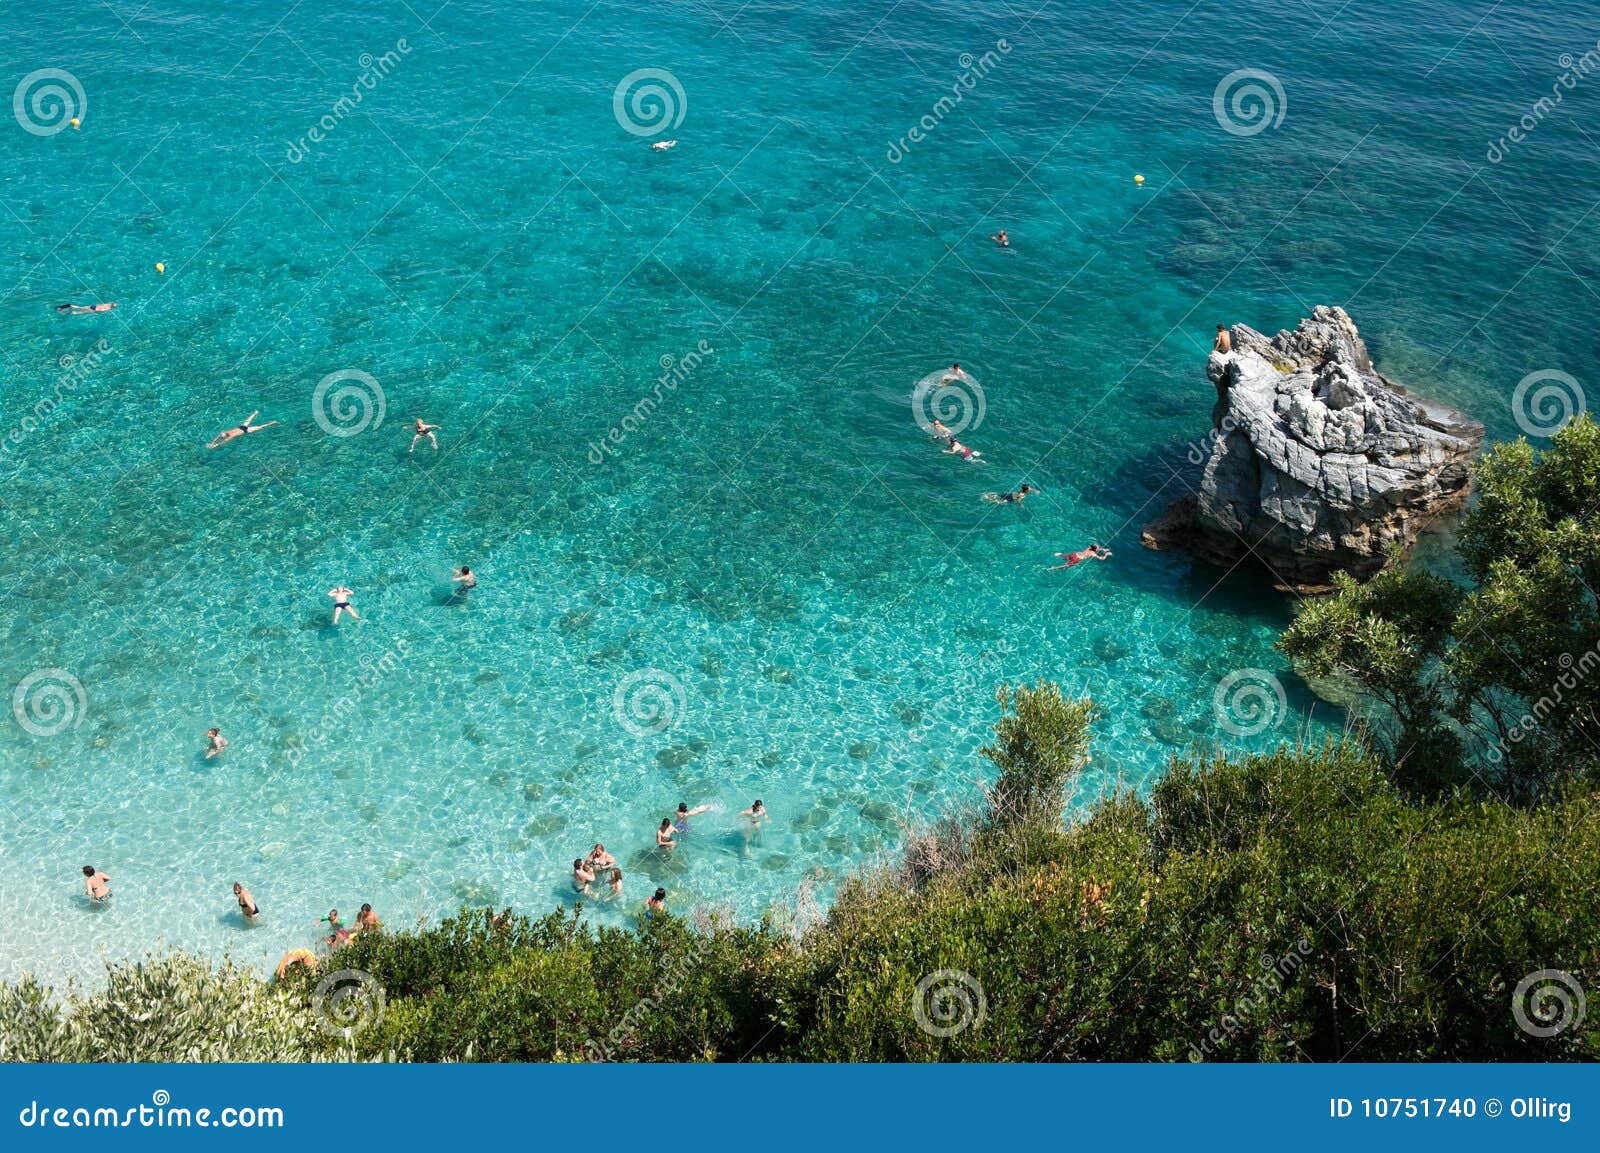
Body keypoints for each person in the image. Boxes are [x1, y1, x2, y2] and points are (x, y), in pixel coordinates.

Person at [208, 411, 279, 448]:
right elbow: (219, 437)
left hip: (243, 429)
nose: (221, 435)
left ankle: (271, 422)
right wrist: (213, 443)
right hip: (242, 428)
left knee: (259, 426)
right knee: (251, 421)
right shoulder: (226, 433)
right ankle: (257, 414)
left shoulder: (230, 436)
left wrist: (216, 445)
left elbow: (223, 441)